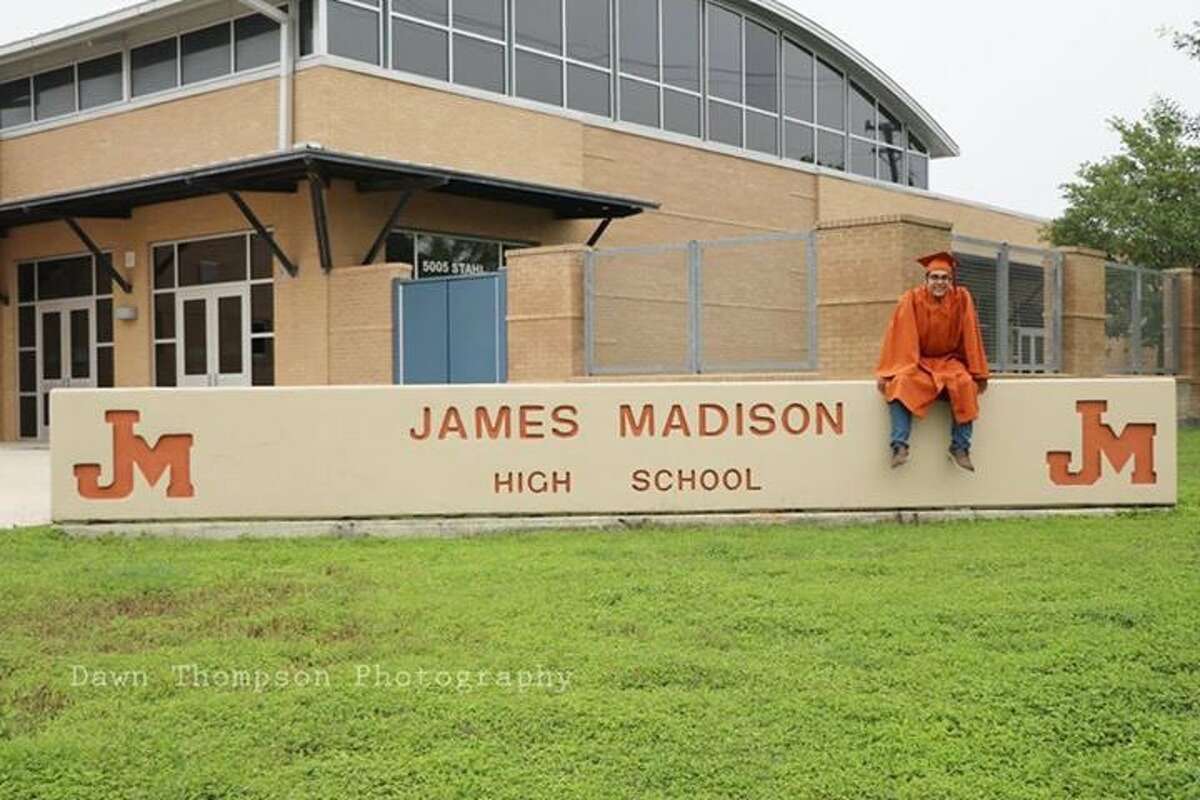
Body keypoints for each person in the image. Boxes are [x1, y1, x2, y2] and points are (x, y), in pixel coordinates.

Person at [875, 251, 990, 471]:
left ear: (950, 280)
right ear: (926, 280)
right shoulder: (911, 299)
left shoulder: (961, 298)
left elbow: (970, 335)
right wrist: (888, 373)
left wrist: (978, 373)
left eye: (944, 278)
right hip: (919, 362)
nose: (940, 282)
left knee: (966, 384)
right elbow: (901, 336)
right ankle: (899, 445)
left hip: (950, 361)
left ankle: (960, 447)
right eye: (935, 277)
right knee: (900, 384)